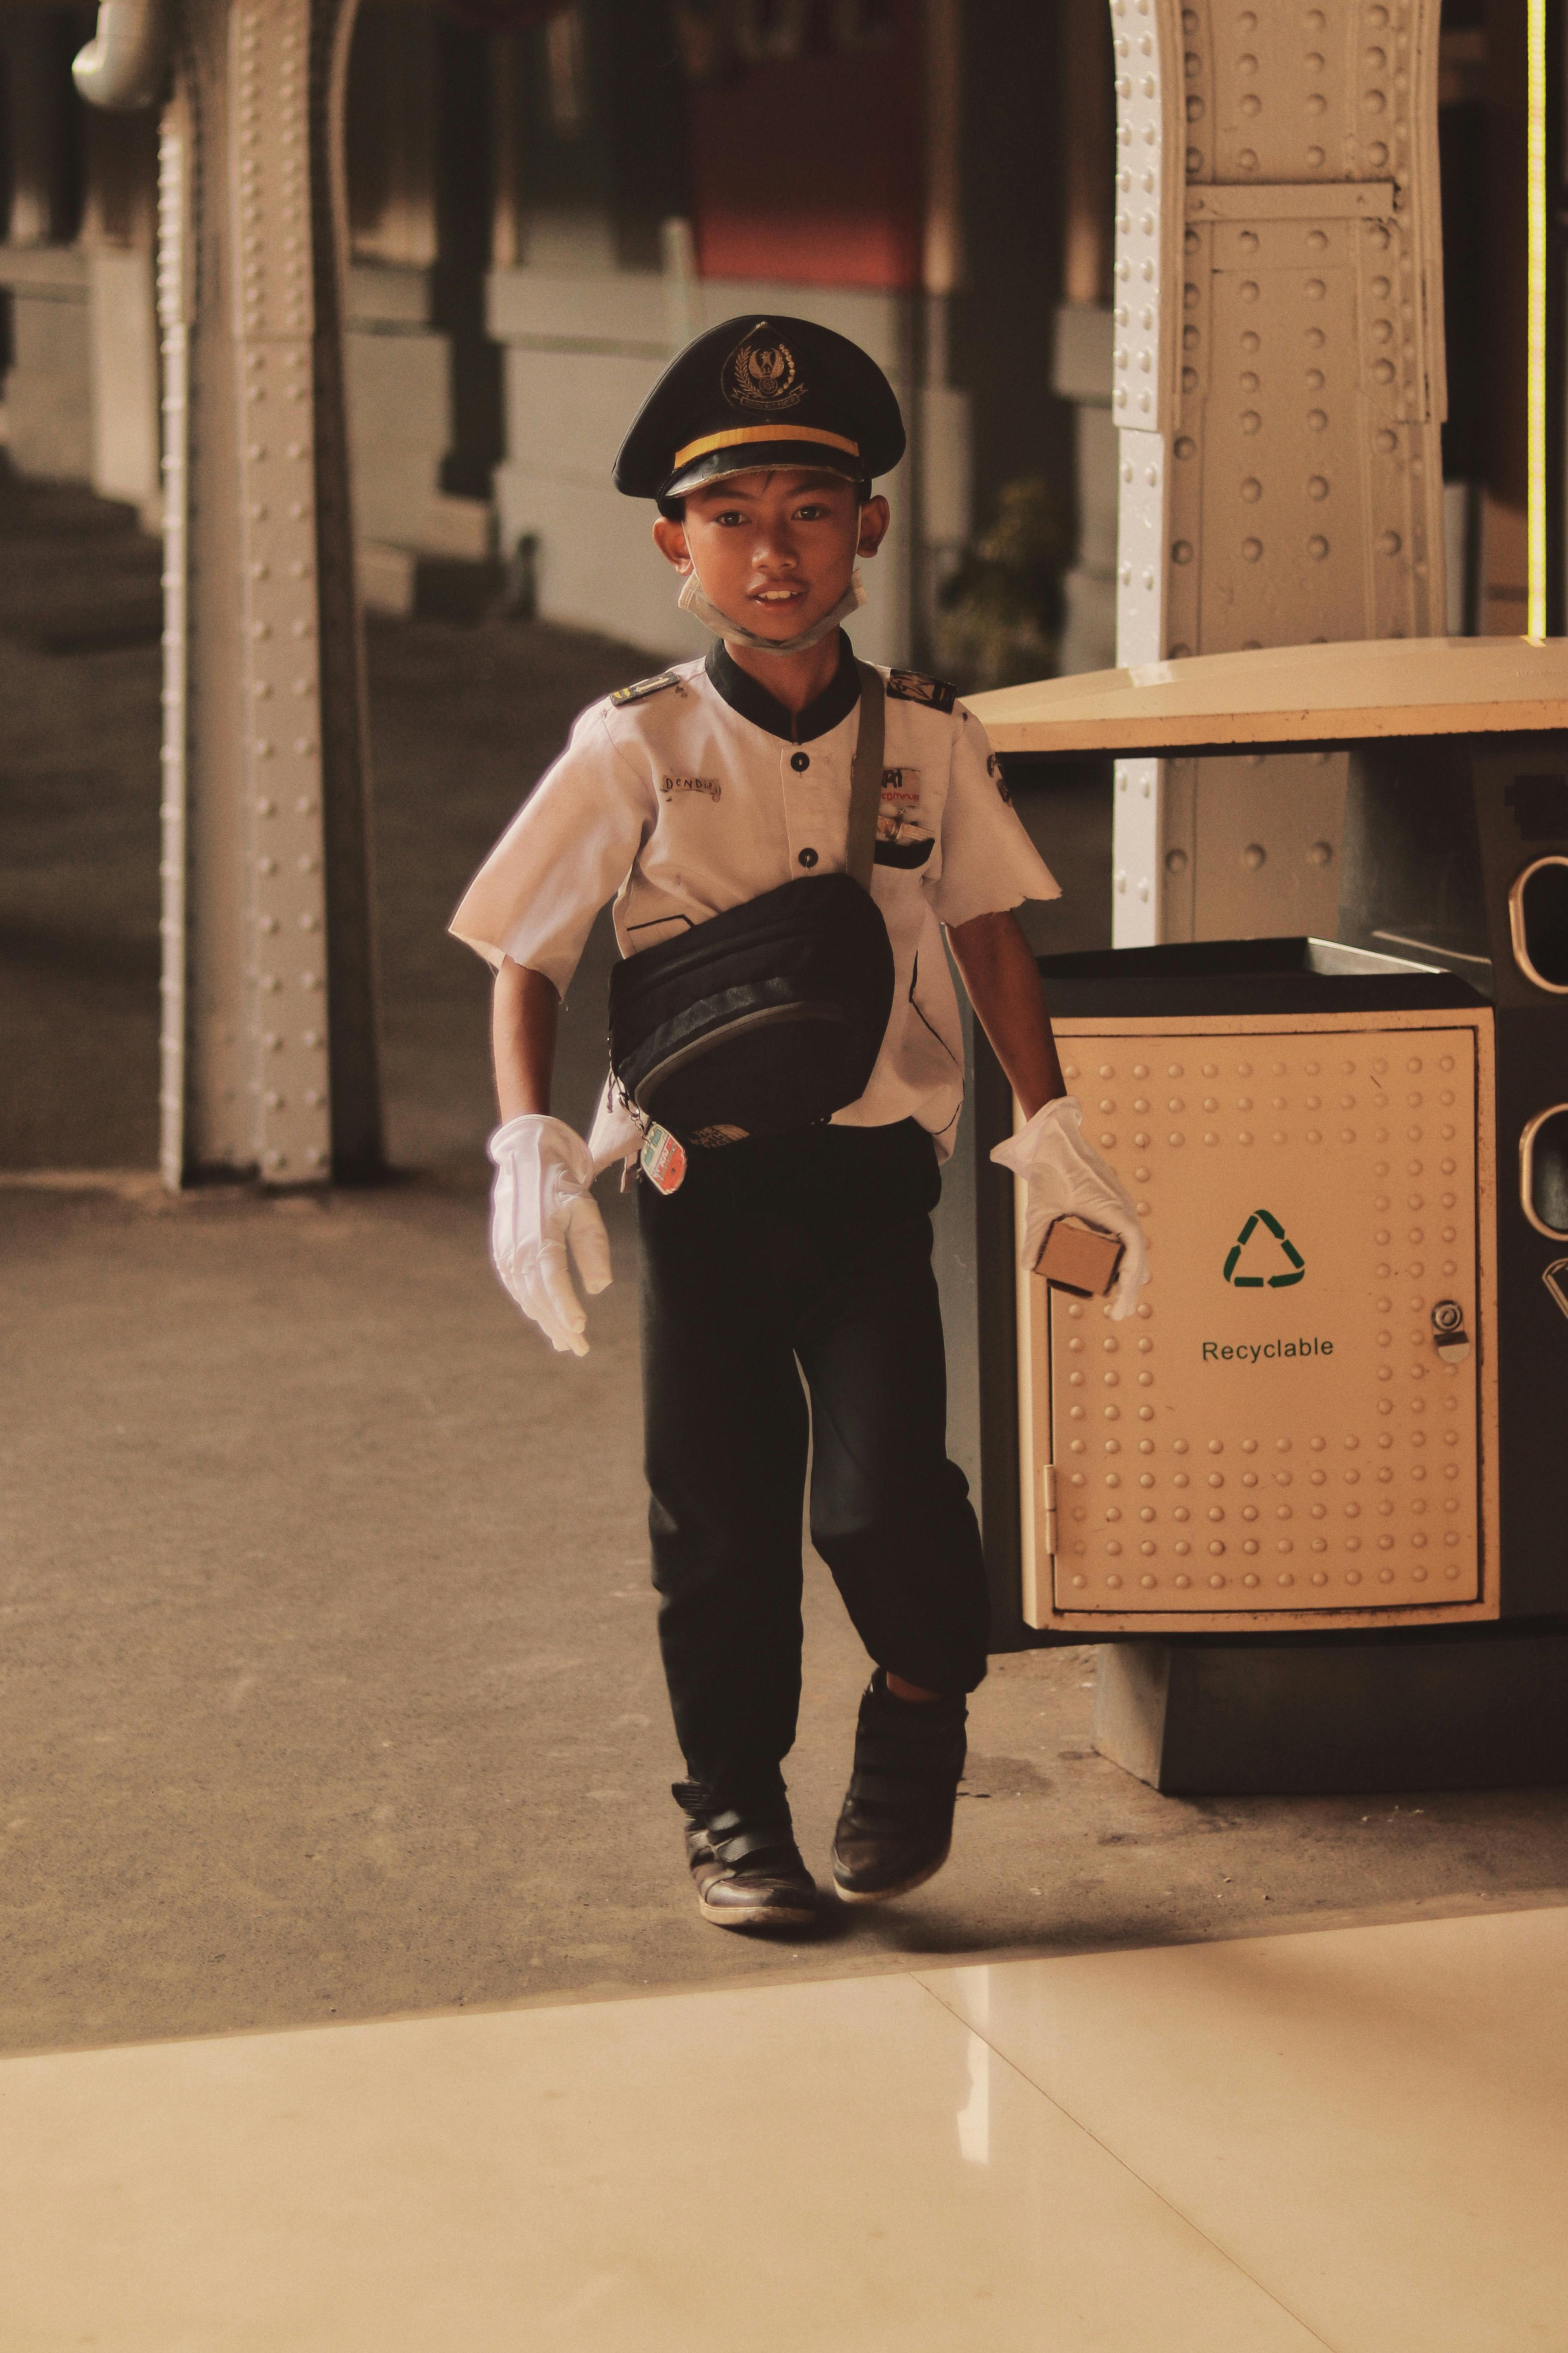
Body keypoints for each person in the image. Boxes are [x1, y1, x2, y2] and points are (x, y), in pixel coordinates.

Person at [450, 316, 1147, 1934]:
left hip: (867, 1186)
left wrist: (1050, 1121)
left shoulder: (926, 737)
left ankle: (919, 1695)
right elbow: (526, 948)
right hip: (703, 1189)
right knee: (721, 1515)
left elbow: (986, 931)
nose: (778, 553)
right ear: (674, 544)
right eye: (738, 517)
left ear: (870, 533)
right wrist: (524, 1142)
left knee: (885, 1493)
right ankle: (737, 1818)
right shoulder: (637, 741)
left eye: (813, 513)